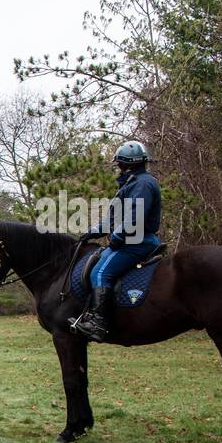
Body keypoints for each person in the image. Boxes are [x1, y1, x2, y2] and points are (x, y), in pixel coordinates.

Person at [71, 141, 162, 343]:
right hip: (130, 239)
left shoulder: (143, 184)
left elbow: (134, 218)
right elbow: (112, 219)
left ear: (127, 164)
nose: (117, 167)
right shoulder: (130, 183)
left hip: (138, 241)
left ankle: (98, 324)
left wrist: (118, 238)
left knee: (101, 272)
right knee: (97, 263)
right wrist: (91, 233)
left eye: (119, 163)